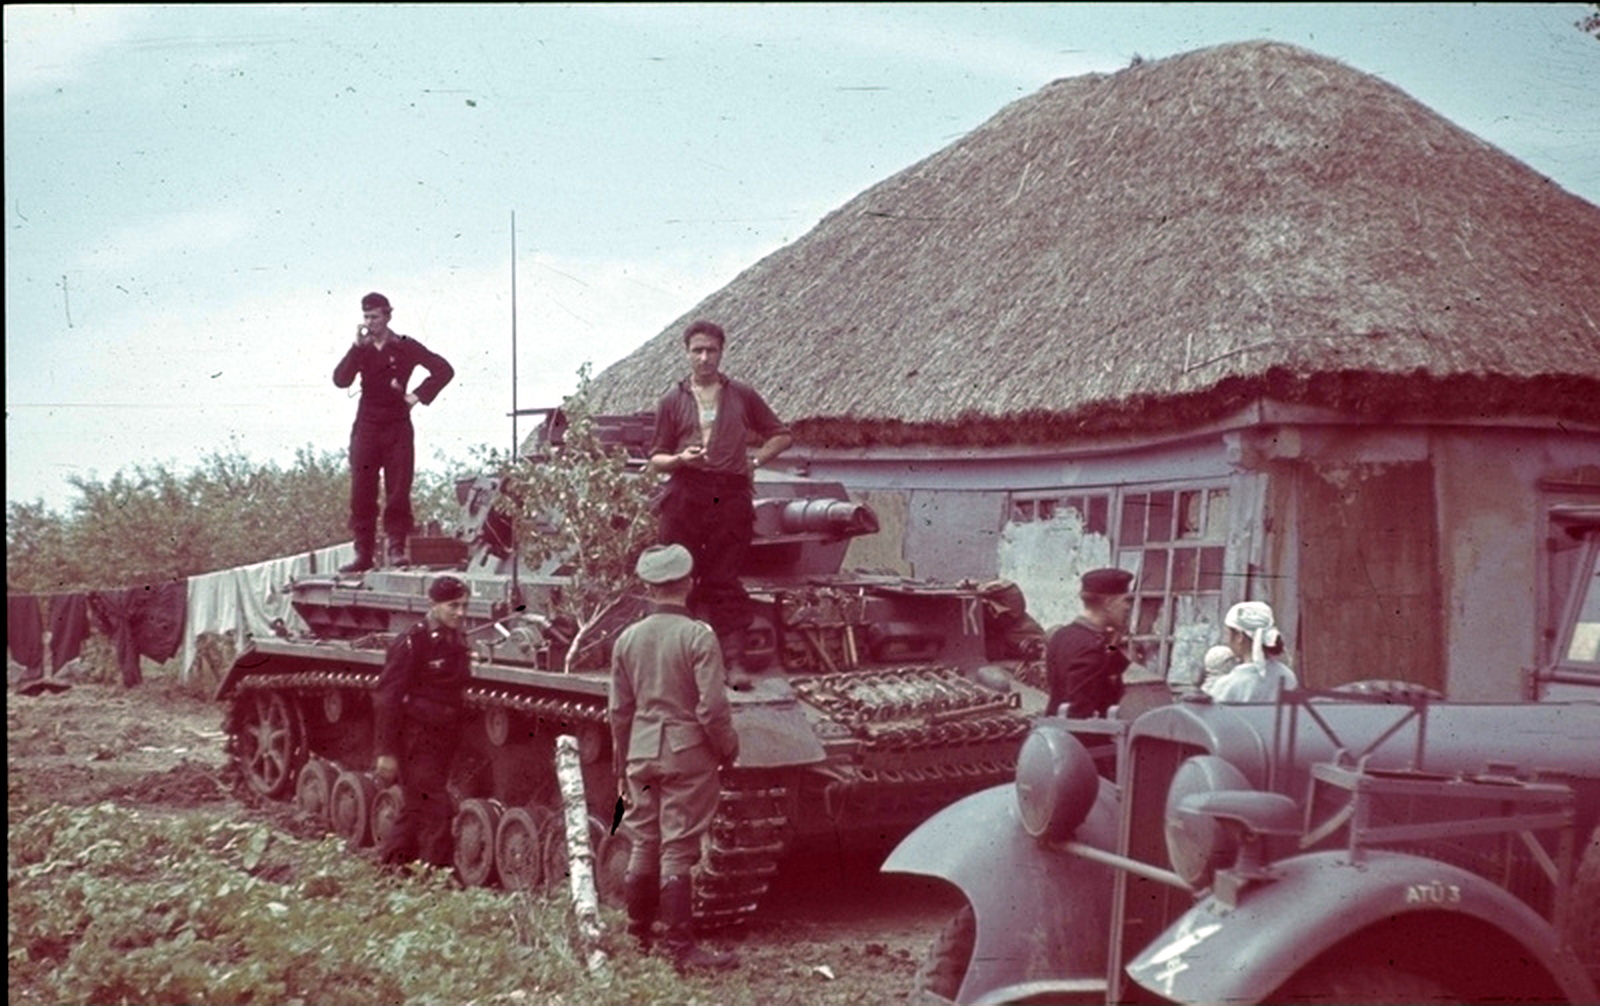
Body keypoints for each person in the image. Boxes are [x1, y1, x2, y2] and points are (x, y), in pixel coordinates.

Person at [609, 544, 741, 972]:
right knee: (678, 847)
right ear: (687, 584)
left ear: (648, 588)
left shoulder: (627, 639)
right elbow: (713, 708)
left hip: (642, 753)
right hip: (687, 755)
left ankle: (638, 936)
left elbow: (619, 710)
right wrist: (726, 747)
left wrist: (623, 761)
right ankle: (680, 948)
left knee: (644, 840)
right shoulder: (697, 635)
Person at [648, 319, 791, 685]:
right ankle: (679, 664)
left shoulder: (741, 394)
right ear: (687, 353)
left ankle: (734, 662)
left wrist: (754, 461)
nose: (704, 357)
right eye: (697, 350)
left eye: (711, 350)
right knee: (678, 572)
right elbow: (656, 458)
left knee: (725, 576)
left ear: (721, 352)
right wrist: (681, 459)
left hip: (729, 493)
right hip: (686, 491)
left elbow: (780, 434)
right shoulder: (671, 400)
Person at [333, 291, 454, 573]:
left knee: (398, 489)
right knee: (362, 490)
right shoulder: (361, 349)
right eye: (366, 317)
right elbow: (340, 380)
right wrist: (355, 347)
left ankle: (397, 548)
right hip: (367, 424)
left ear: (388, 316)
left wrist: (417, 396)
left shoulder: (405, 346)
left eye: (375, 317)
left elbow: (443, 370)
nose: (370, 322)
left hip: (397, 424)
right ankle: (363, 553)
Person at [373, 574, 472, 870]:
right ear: (434, 604)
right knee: (436, 809)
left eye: (465, 605)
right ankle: (435, 877)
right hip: (415, 738)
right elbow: (387, 698)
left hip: (442, 738)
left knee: (416, 806)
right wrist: (386, 752)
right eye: (453, 606)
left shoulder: (455, 639)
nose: (461, 613)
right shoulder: (413, 641)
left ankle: (391, 867)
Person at [1045, 567, 1135, 717]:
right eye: (1126, 600)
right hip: (1085, 736)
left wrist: (1113, 643)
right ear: (1109, 603)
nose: (1128, 608)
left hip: (1057, 728)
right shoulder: (1092, 646)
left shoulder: (1062, 635)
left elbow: (1108, 660)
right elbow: (1080, 708)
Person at [1204, 600, 1299, 703]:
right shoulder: (1287, 676)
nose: (1227, 640)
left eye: (1227, 634)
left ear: (1239, 637)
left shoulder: (1228, 686)